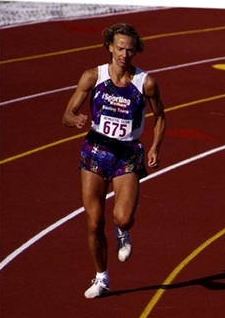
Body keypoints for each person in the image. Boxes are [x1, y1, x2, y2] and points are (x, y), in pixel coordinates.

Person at [62, 22, 166, 299]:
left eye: (130, 50)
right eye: (120, 48)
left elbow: (162, 117)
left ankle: (123, 231)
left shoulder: (146, 83)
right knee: (94, 222)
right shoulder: (92, 77)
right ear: (109, 46)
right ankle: (101, 276)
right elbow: (66, 114)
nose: (124, 54)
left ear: (136, 52)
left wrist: (155, 146)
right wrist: (76, 119)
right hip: (95, 151)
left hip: (127, 154)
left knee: (123, 216)